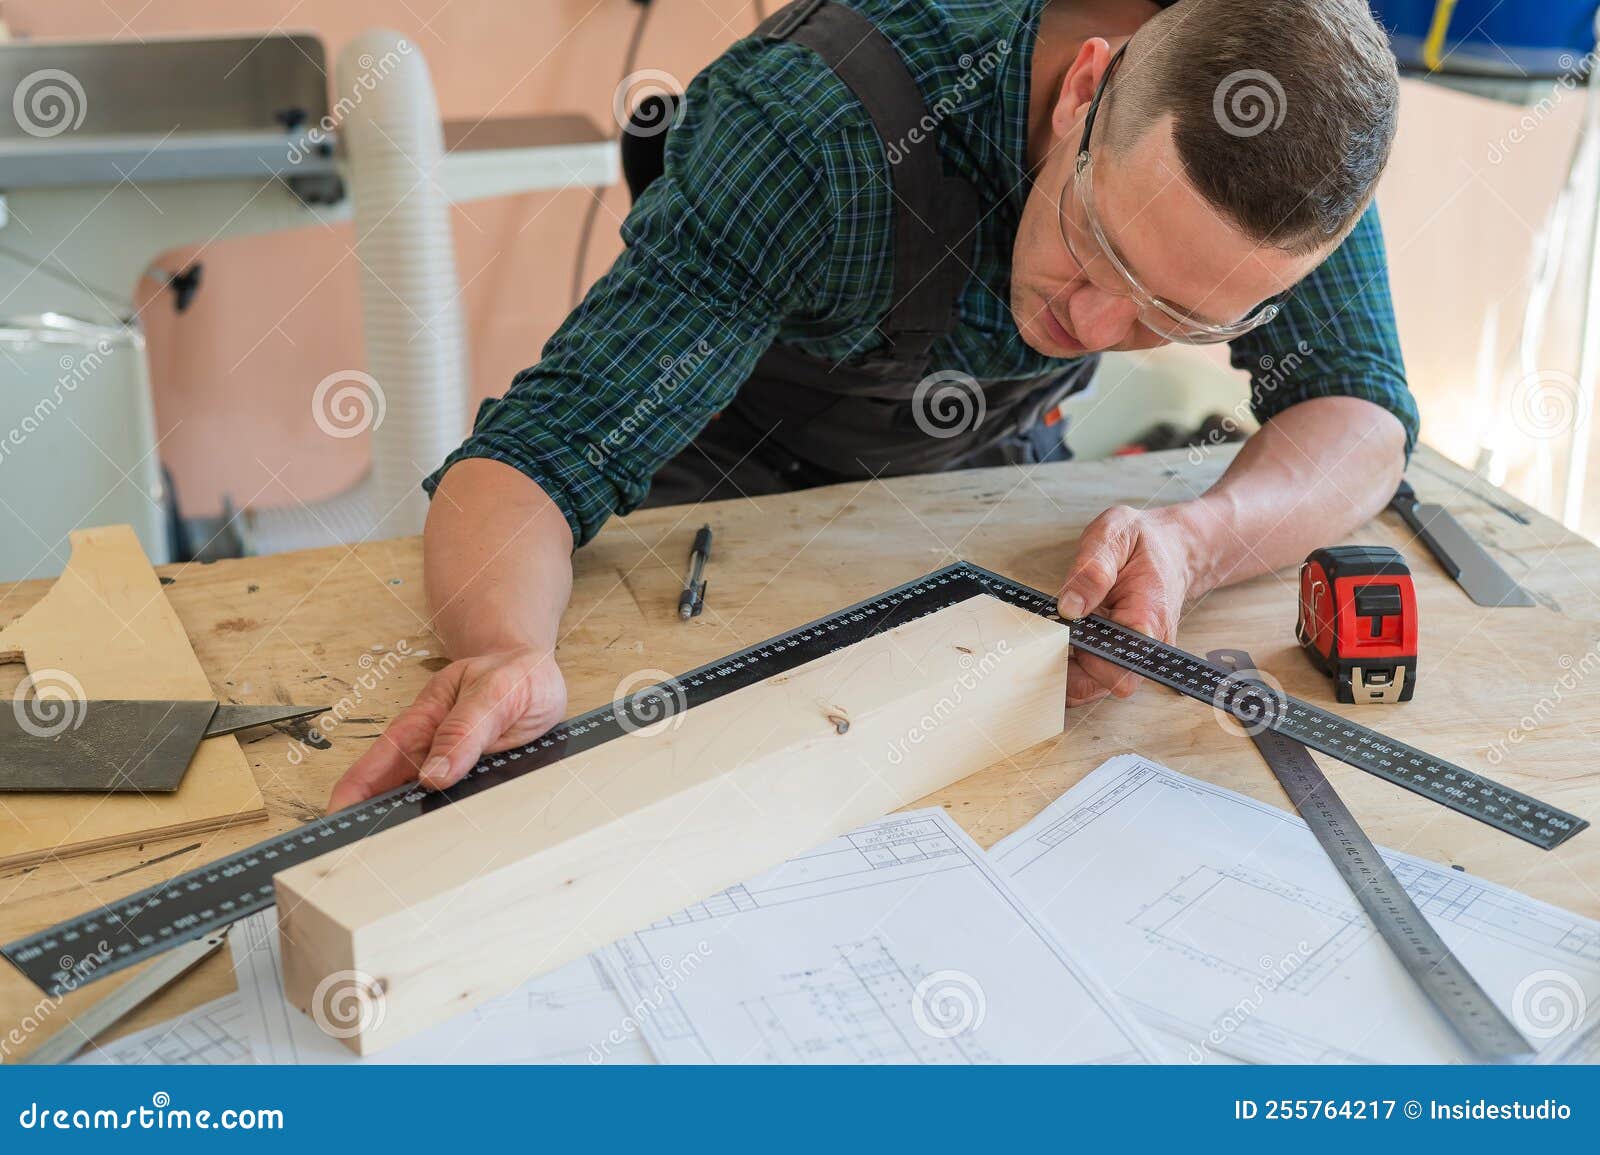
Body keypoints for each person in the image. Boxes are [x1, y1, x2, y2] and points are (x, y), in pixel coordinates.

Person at [329, 0, 1414, 810]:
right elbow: (541, 452)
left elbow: (1362, 417)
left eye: (1167, 316)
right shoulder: (819, 130)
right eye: (1094, 246)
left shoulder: (1275, 135)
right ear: (1087, 90)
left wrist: (1195, 543)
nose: (1093, 329)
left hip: (980, 486)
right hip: (716, 496)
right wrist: (503, 644)